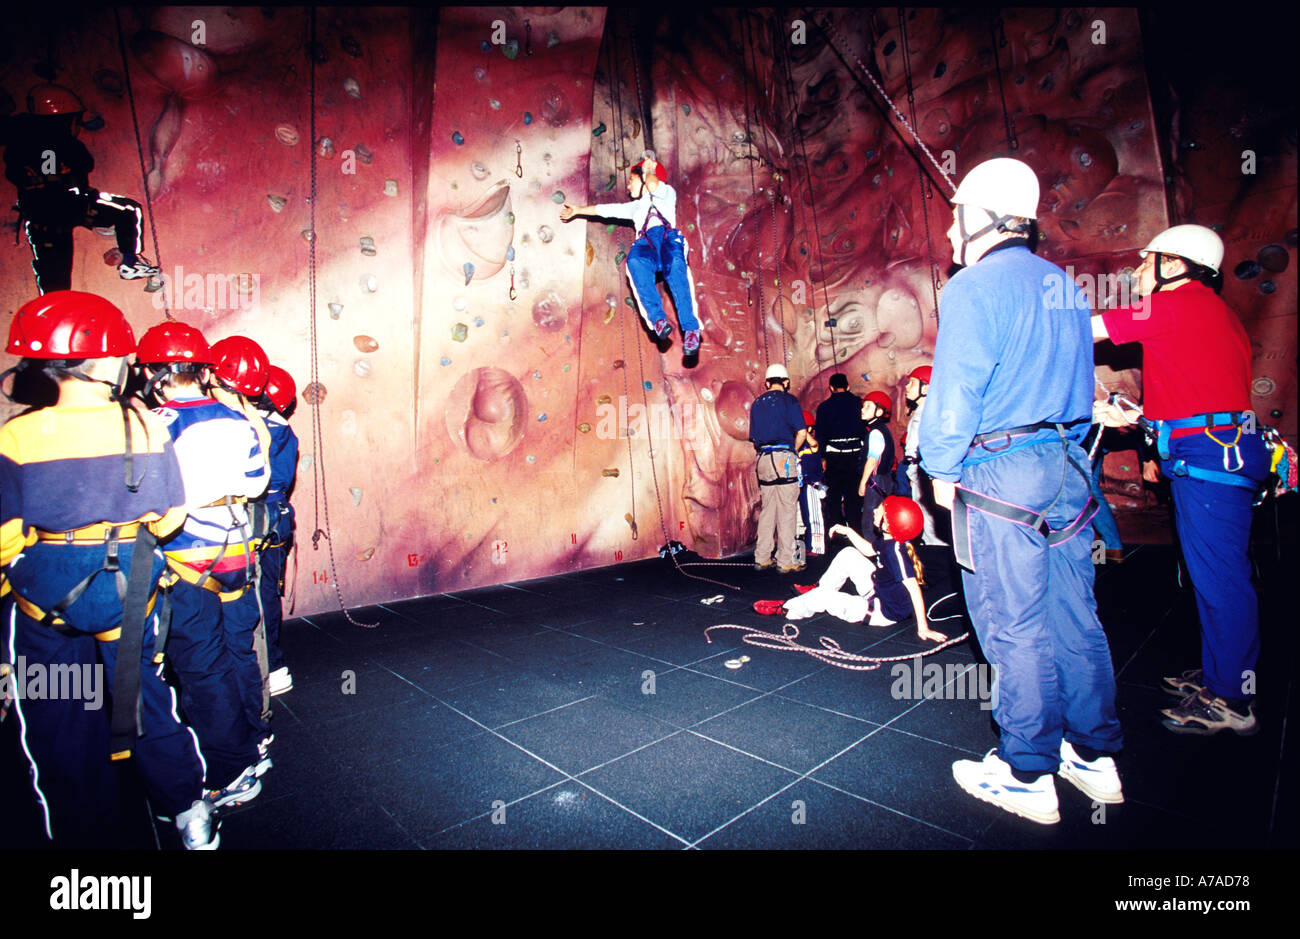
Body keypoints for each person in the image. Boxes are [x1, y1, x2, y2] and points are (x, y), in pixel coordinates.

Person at [918, 157, 1124, 825]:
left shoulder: (974, 288)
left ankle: (1026, 769)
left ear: (984, 219)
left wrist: (940, 471)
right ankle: (1094, 754)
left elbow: (956, 393)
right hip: (1065, 468)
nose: (951, 238)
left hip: (1001, 474)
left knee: (1014, 622)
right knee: (1075, 614)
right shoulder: (1065, 286)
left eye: (957, 222)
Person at [0, 291, 216, 849]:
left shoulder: (16, 435)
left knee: (57, 717)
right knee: (144, 700)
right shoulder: (145, 426)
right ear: (105, 362)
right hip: (126, 584)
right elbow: (169, 519)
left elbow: (3, 536)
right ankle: (189, 811)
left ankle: (80, 837)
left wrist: (29, 559)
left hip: (44, 593)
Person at [1091, 224, 1270, 735]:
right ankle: (1222, 672)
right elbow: (1200, 389)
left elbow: (1087, 331)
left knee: (1221, 579)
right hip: (1210, 453)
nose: (1140, 271)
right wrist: (1143, 419)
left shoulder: (1179, 305)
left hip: (1212, 460)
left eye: (1149, 262)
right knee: (1211, 574)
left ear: (1176, 265)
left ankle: (1234, 696)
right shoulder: (1211, 313)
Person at [139, 327, 271, 809]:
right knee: (239, 649)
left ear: (155, 374)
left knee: (201, 666)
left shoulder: (157, 423)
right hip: (236, 549)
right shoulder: (236, 420)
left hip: (185, 554)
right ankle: (255, 742)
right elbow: (257, 485)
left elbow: (146, 495)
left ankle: (231, 769)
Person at [2, 84, 159, 294]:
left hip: (39, 219)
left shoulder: (19, 143)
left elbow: (17, 174)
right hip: (70, 206)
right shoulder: (60, 141)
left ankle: (51, 317)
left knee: (54, 287)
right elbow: (78, 166)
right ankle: (129, 263)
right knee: (129, 211)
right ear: (65, 119)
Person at [560, 152, 701, 353]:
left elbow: (653, 186)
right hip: (647, 244)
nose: (628, 187)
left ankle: (691, 329)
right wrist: (578, 210)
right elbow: (605, 210)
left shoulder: (667, 192)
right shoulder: (634, 207)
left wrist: (649, 171)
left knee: (676, 268)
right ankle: (658, 320)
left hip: (668, 239)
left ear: (644, 177)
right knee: (634, 261)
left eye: (631, 180)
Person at [781, 497, 948, 644]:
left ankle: (787, 608)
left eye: (880, 510)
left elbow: (914, 589)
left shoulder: (895, 552)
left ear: (889, 524)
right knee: (848, 554)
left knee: (822, 597)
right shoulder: (890, 541)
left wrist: (923, 628)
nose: (875, 510)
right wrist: (848, 531)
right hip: (878, 591)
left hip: (879, 612)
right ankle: (820, 588)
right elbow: (868, 550)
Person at [252, 365, 299, 697]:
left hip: (260, 517)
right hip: (277, 517)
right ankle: (275, 665)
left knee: (256, 595)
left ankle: (267, 666)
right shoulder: (287, 433)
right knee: (268, 592)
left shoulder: (257, 431)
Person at [748, 363, 807, 572]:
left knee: (768, 508)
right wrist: (794, 451)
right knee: (787, 508)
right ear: (786, 382)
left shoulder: (756, 404)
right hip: (784, 457)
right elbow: (801, 432)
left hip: (763, 458)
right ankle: (785, 560)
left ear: (766, 383)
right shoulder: (790, 401)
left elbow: (754, 437)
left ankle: (762, 556)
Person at [899, 365, 946, 545]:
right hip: (922, 473)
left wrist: (913, 474)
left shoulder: (925, 414)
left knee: (931, 524)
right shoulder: (925, 412)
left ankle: (936, 566)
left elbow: (915, 450)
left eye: (912, 383)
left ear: (926, 388)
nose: (907, 388)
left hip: (923, 473)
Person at [814, 373, 865, 534]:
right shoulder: (859, 404)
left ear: (831, 388)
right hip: (855, 455)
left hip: (834, 457)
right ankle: (856, 532)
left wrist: (822, 457)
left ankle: (834, 534)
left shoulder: (823, 408)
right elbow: (865, 431)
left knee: (834, 497)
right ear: (848, 386)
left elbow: (820, 436)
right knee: (854, 498)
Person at [857, 390, 896, 525]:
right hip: (883, 479)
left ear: (879, 412)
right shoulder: (881, 429)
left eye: (868, 406)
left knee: (870, 520)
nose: (863, 409)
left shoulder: (875, 432)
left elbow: (872, 460)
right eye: (863, 406)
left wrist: (863, 483)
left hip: (875, 480)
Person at [796, 410, 825, 558]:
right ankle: (809, 543)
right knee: (806, 517)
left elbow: (814, 444)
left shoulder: (813, 443)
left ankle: (817, 546)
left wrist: (802, 430)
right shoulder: (797, 446)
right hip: (802, 486)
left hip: (812, 485)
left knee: (815, 517)